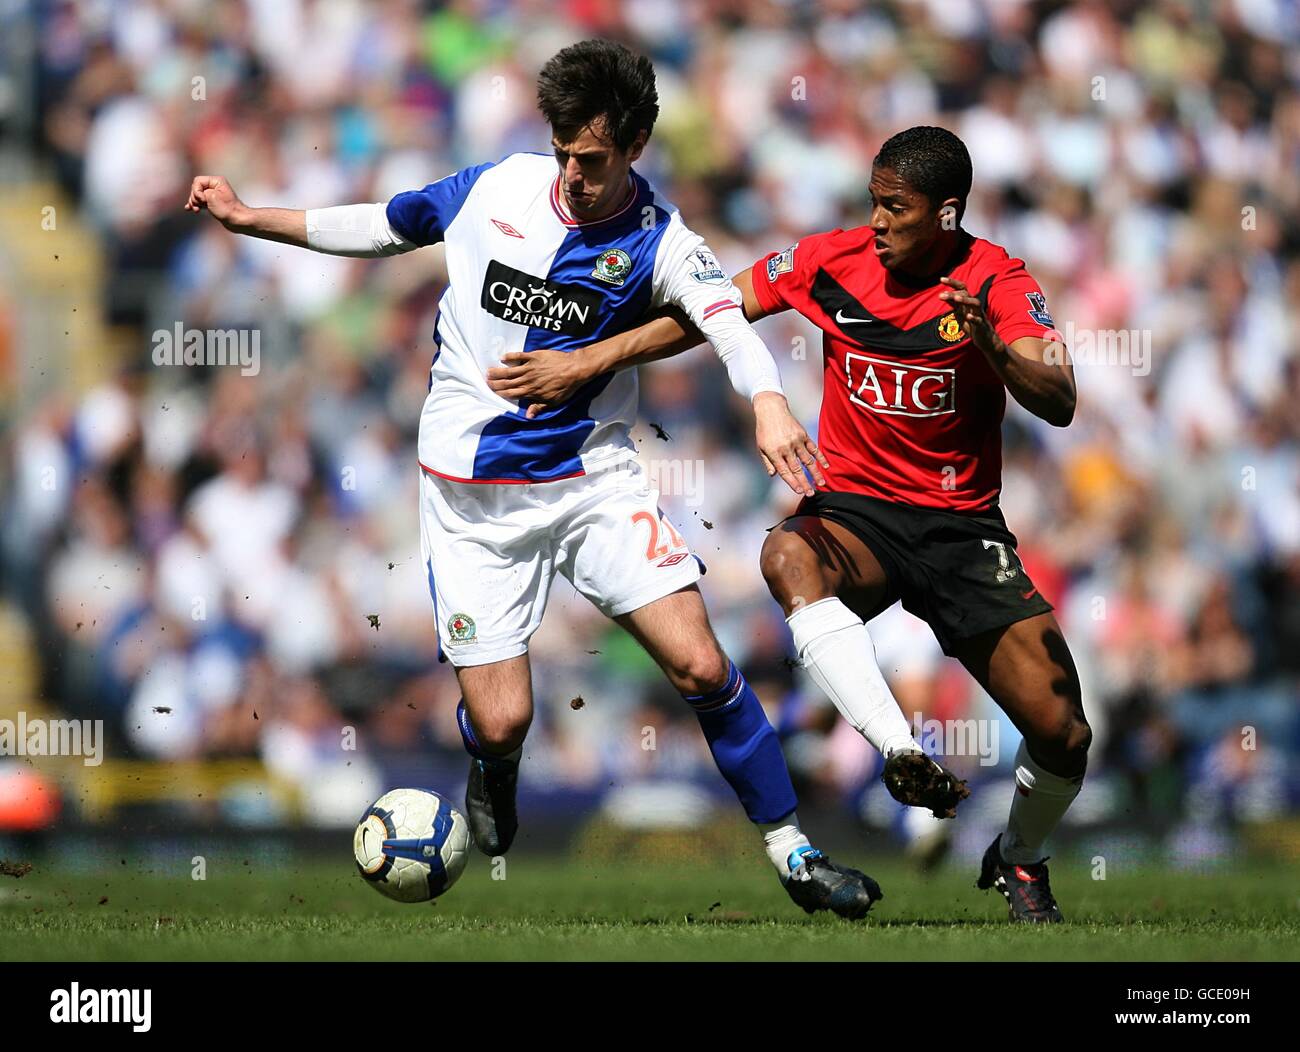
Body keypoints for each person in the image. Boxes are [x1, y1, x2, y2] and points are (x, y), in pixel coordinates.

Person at [185, 39, 880, 919]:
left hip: (591, 478)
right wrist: (256, 218)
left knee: (703, 662)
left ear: (637, 142)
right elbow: (387, 222)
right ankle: (493, 764)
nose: (573, 175)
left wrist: (771, 404)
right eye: (562, 154)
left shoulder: (660, 240)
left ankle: (795, 855)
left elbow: (730, 321)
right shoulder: (497, 188)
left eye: (591, 159)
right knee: (506, 718)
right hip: (471, 498)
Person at [487, 126, 1091, 923]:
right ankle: (899, 750)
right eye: (873, 201)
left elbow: (1060, 399)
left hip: (960, 527)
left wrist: (995, 350)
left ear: (946, 215)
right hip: (858, 515)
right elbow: (708, 309)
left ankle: (1018, 858)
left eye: (896, 208)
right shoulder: (828, 260)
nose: (876, 220)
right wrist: (588, 360)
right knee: (785, 554)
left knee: (1064, 735)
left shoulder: (999, 282)